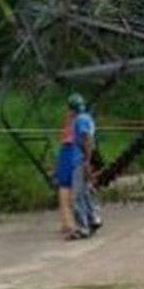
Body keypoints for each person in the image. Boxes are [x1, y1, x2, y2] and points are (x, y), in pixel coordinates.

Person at [54, 93, 87, 240]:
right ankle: (70, 222)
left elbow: (64, 138)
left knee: (64, 191)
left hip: (69, 153)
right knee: (78, 192)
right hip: (77, 155)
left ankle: (69, 224)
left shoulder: (71, 121)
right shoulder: (85, 119)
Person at [72, 97, 102, 235]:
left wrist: (86, 161)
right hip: (86, 157)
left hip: (81, 159)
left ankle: (83, 226)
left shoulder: (80, 120)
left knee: (78, 194)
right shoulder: (87, 118)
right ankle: (93, 219)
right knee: (86, 190)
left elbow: (86, 140)